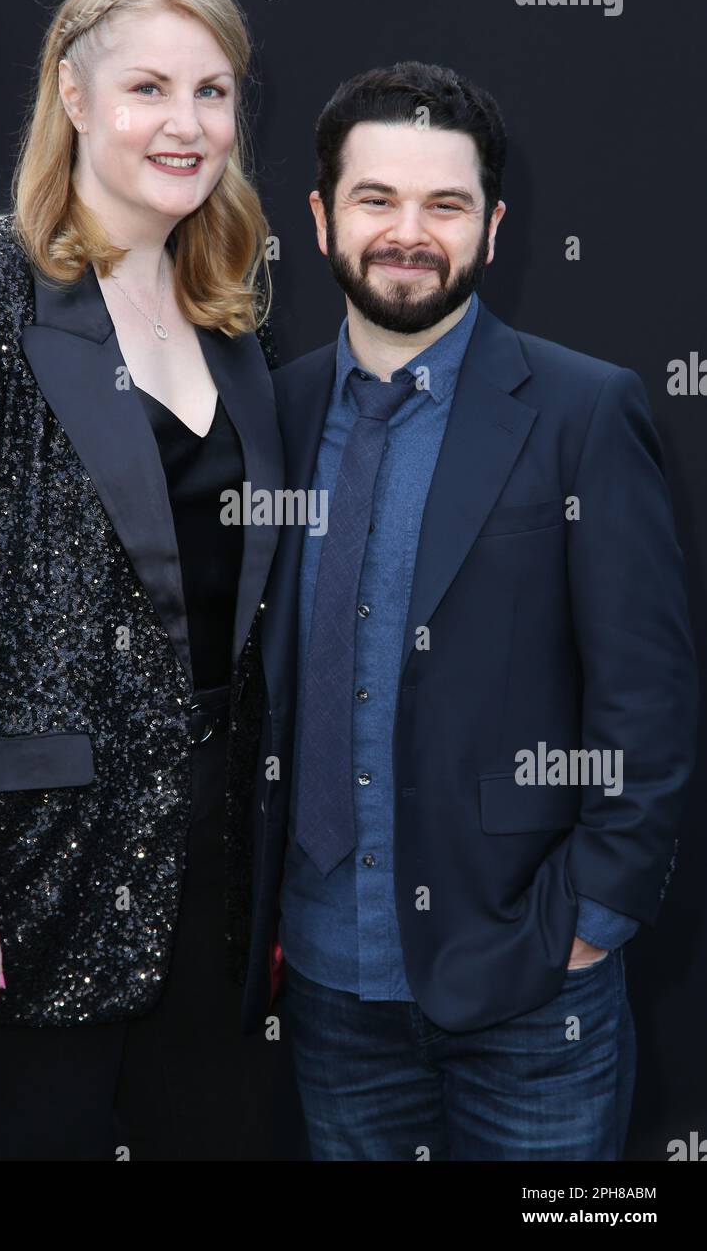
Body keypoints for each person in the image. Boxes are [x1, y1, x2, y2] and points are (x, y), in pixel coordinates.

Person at [0, 0, 292, 1161]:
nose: (185, 123)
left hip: (209, 884)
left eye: (211, 92)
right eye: (147, 87)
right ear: (73, 93)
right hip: (22, 876)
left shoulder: (234, 311)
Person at [241, 60, 699, 1160]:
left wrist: (589, 922)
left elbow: (646, 694)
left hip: (530, 989)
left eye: (443, 204)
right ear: (318, 217)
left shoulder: (584, 411)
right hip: (324, 991)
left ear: (491, 227)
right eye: (375, 199)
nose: (409, 232)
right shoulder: (269, 413)